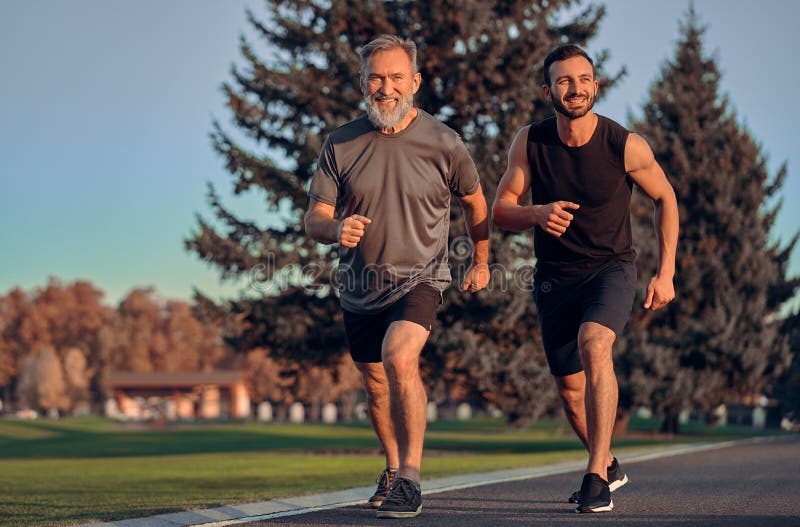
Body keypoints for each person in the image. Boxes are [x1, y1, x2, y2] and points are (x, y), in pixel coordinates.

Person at [305, 34, 490, 519]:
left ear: (414, 82)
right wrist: (335, 229)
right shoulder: (340, 143)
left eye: (394, 78)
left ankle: (410, 476)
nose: (385, 88)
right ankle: (391, 466)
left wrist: (482, 258)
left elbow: (475, 202)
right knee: (373, 381)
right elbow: (315, 217)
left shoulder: (444, 142)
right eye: (375, 79)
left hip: (421, 278)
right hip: (360, 287)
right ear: (363, 83)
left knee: (398, 356)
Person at [492, 44, 678, 513]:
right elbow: (501, 210)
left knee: (595, 343)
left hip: (611, 269)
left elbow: (666, 198)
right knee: (571, 391)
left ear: (595, 85)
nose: (575, 88)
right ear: (548, 90)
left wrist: (667, 271)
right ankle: (609, 463)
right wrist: (536, 212)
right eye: (564, 81)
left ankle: (595, 477)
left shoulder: (624, 144)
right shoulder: (529, 142)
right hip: (555, 277)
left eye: (583, 79)